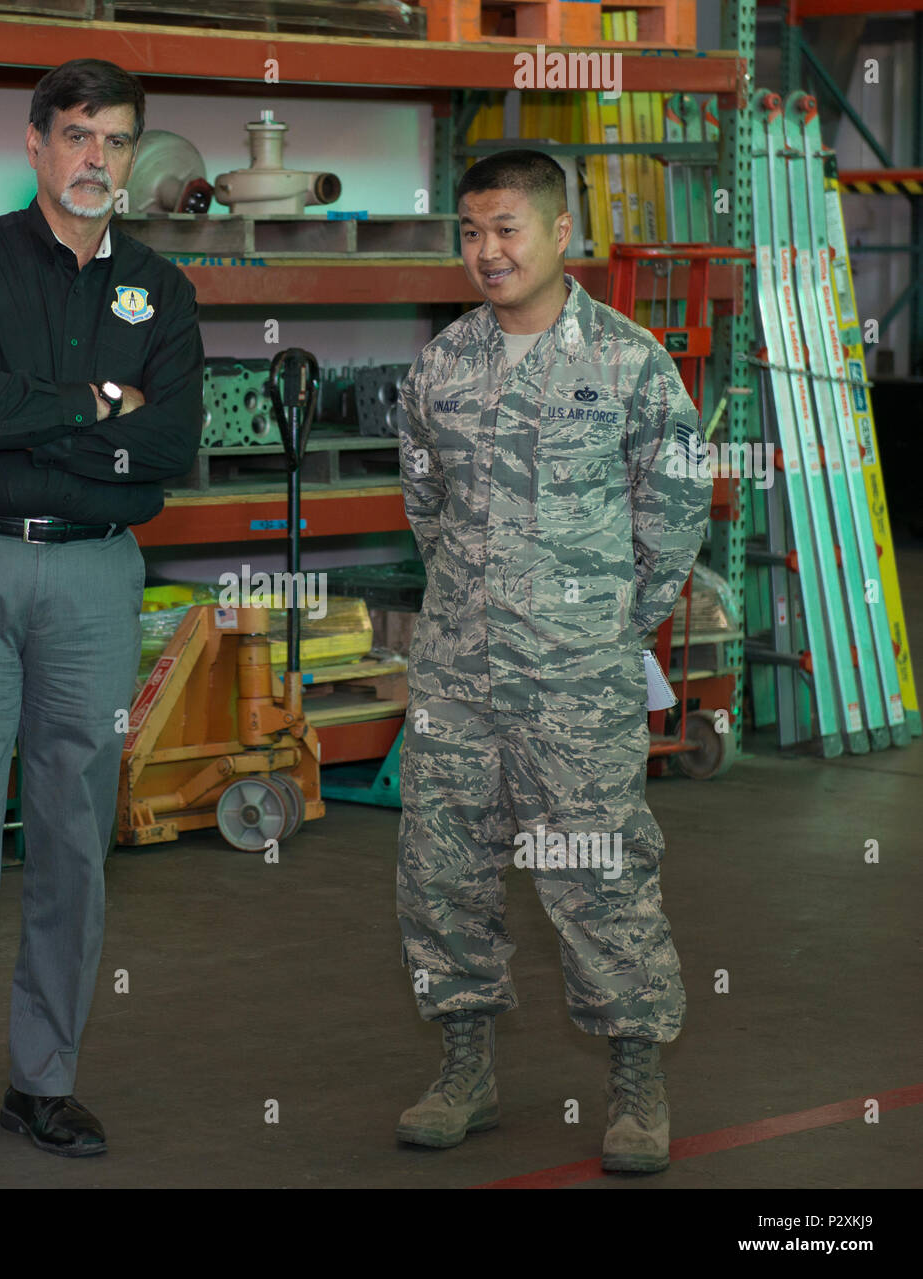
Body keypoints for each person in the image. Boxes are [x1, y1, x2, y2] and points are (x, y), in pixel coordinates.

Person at [0, 58, 204, 1170]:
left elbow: (169, 449)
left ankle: (43, 1082)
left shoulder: (163, 294)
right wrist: (95, 406)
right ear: (34, 143)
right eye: (77, 135)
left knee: (75, 835)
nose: (95, 160)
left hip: (93, 578)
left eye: (116, 142)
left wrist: (49, 421)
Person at [394, 150, 712, 1173]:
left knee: (598, 873)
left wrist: (607, 629)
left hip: (578, 683)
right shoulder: (440, 364)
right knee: (443, 873)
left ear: (560, 232)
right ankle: (465, 1071)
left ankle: (634, 1081)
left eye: (507, 229)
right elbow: (425, 509)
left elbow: (671, 518)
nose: (488, 251)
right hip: (455, 678)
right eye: (471, 232)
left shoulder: (627, 363)